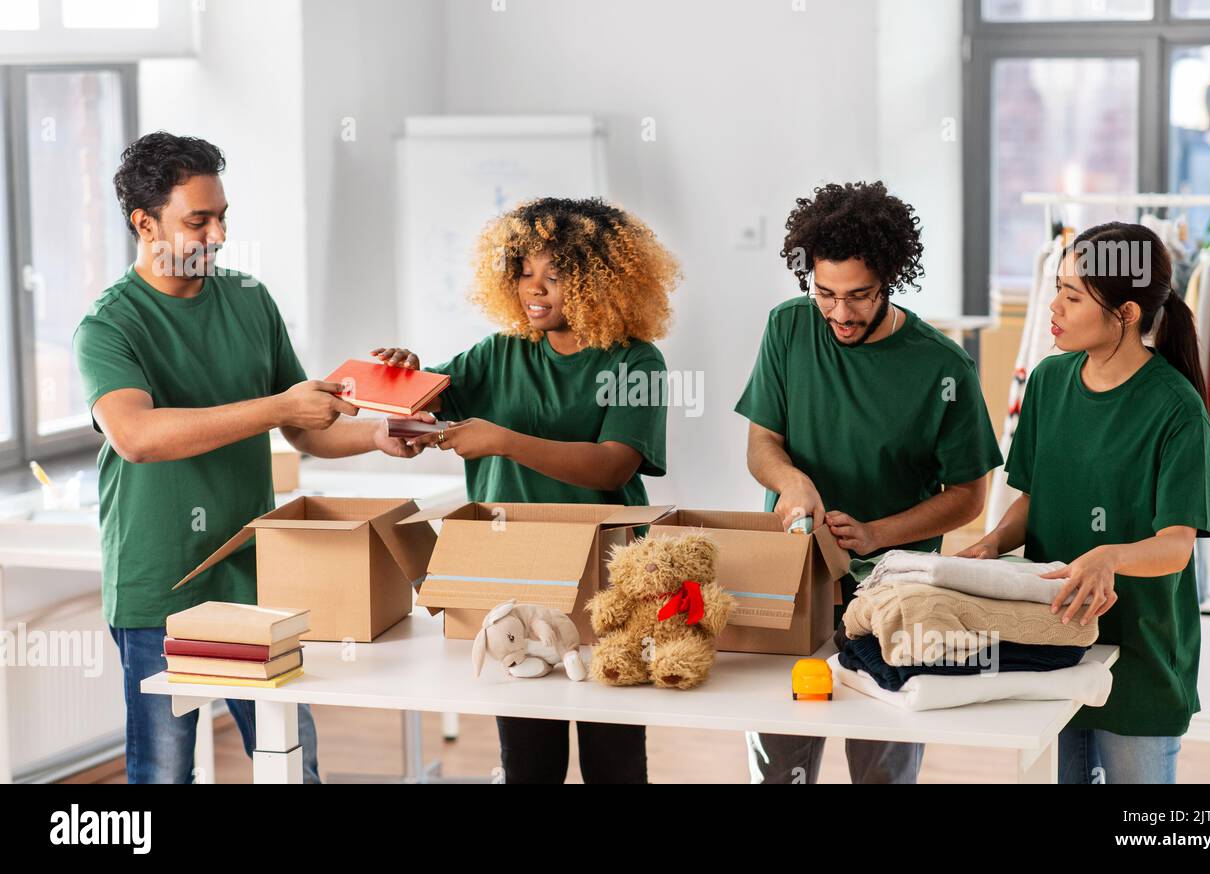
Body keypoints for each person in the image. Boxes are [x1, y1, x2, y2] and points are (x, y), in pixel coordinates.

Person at [74, 132, 426, 783]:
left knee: (294, 760)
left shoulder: (247, 299)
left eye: (223, 216)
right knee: (163, 771)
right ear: (143, 223)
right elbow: (137, 436)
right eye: (198, 220)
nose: (218, 235)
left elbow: (308, 426)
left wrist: (378, 434)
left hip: (251, 577)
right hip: (159, 584)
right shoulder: (110, 326)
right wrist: (280, 409)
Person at [373, 196, 679, 783]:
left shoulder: (638, 362)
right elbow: (422, 404)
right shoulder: (498, 352)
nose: (532, 289)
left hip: (605, 578)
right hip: (512, 576)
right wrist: (404, 375)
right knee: (528, 758)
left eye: (554, 277)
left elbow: (613, 466)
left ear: (597, 283)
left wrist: (504, 440)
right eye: (523, 271)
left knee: (612, 757)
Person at [735, 181, 1004, 783]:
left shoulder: (942, 366)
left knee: (883, 765)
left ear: (889, 279)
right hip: (795, 579)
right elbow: (762, 445)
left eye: (857, 296)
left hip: (894, 594)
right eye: (824, 294)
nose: (839, 313)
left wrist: (875, 533)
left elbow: (968, 497)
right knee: (779, 764)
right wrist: (792, 483)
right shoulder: (789, 328)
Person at [959, 222, 1210, 784]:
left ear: (1126, 313)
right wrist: (991, 544)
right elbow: (1035, 496)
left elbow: (1175, 547)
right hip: (1053, 643)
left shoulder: (1176, 409)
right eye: (1057, 287)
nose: (1053, 306)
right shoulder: (1049, 381)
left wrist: (1110, 557)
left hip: (1139, 657)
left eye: (1073, 296)